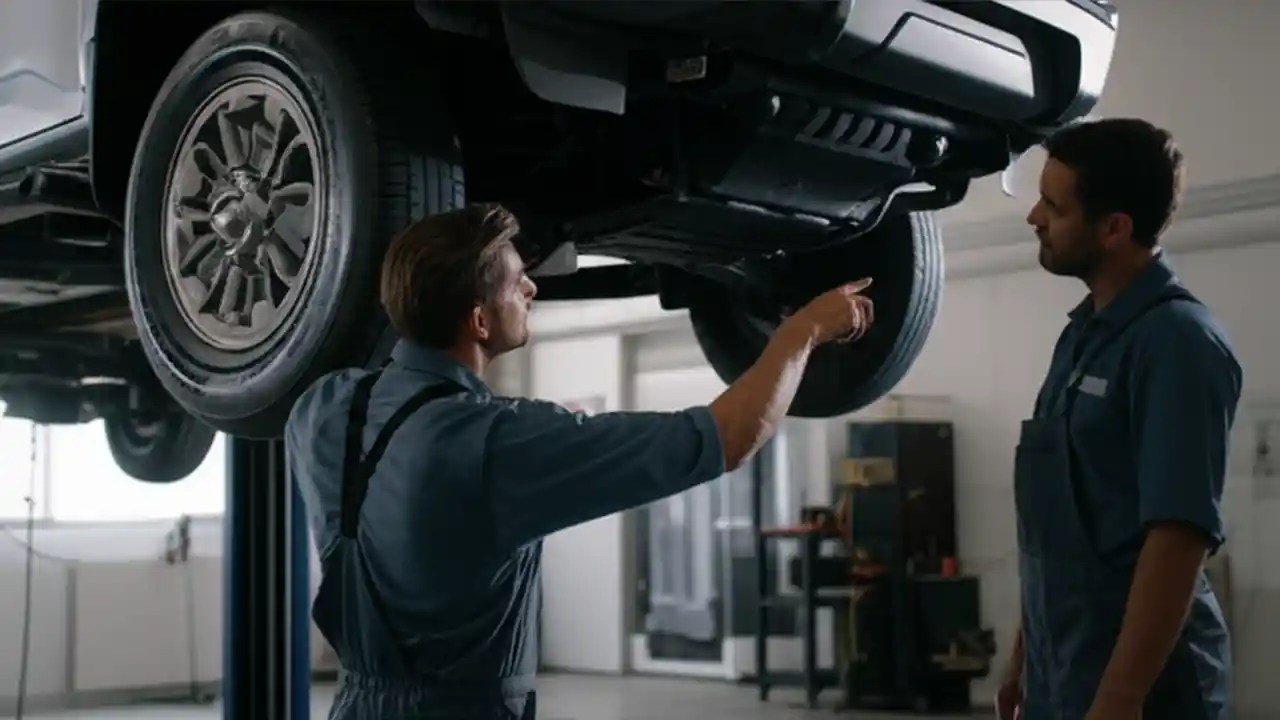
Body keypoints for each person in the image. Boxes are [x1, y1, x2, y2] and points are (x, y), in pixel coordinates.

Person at [285, 203, 876, 719]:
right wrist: (804, 330)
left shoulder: (322, 411)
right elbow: (729, 435)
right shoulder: (498, 443)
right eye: (518, 282)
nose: (533, 290)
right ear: (479, 320)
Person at [997, 118, 1242, 720]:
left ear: (1114, 229)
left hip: (1147, 692)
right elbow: (1057, 532)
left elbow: (1179, 538)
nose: (1033, 217)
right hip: (1066, 672)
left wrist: (1121, 697)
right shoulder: (1081, 337)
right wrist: (1023, 655)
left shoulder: (1178, 343)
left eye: (1053, 206)